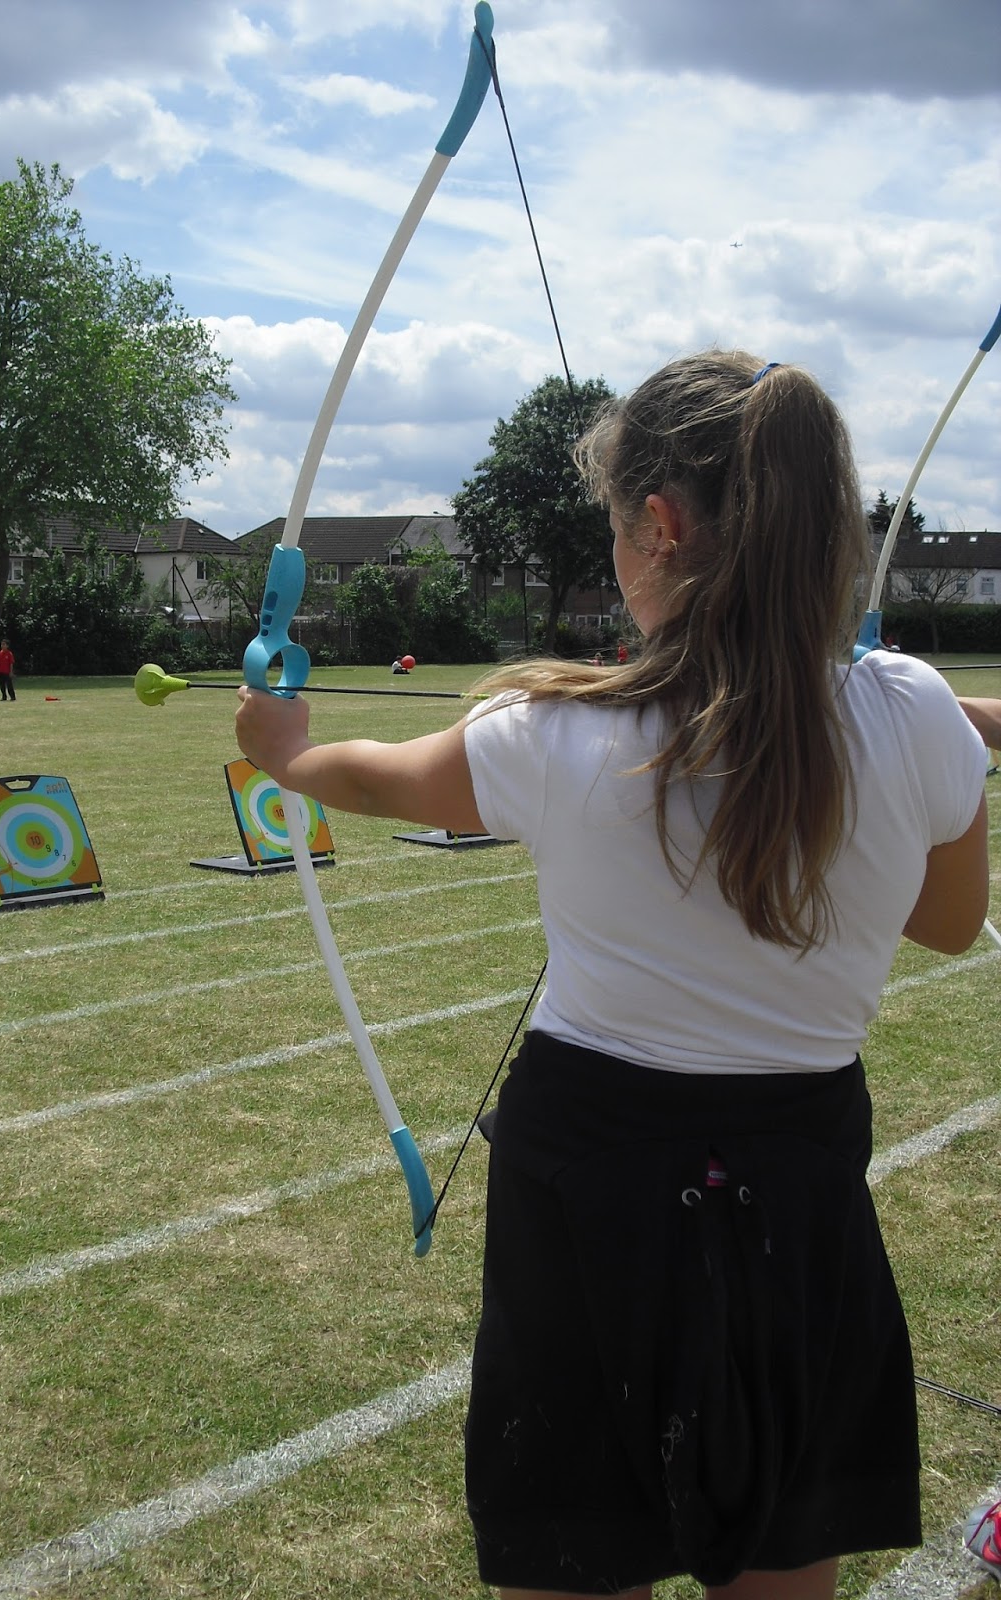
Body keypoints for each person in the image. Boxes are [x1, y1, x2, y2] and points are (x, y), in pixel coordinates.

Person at [236, 351, 993, 1600]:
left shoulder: (559, 727)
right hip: (797, 1183)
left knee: (577, 1560)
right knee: (782, 1571)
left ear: (661, 523)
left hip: (588, 1179)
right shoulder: (915, 712)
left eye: (612, 531)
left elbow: (375, 776)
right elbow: (950, 925)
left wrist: (285, 753)